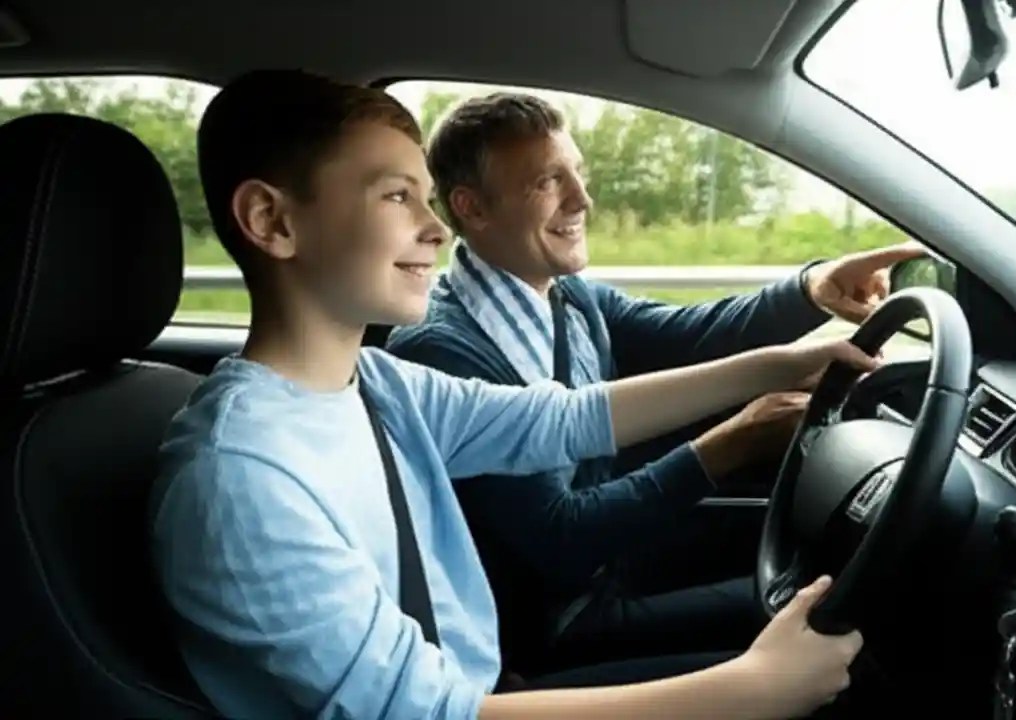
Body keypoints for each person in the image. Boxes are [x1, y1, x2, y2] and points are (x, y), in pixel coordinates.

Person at [150, 69, 874, 720]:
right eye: (397, 197)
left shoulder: (375, 384)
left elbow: (562, 419)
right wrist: (749, 690)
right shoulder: (241, 481)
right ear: (273, 221)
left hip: (482, 684)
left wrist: (779, 363)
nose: (436, 230)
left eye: (428, 200)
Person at [386, 91, 923, 668]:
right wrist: (735, 441)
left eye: (578, 173)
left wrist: (811, 290)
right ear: (472, 208)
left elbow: (690, 333)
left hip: (613, 562)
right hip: (553, 618)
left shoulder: (565, 299)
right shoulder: (441, 351)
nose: (583, 198)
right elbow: (561, 541)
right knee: (835, 610)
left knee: (833, 558)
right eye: (548, 182)